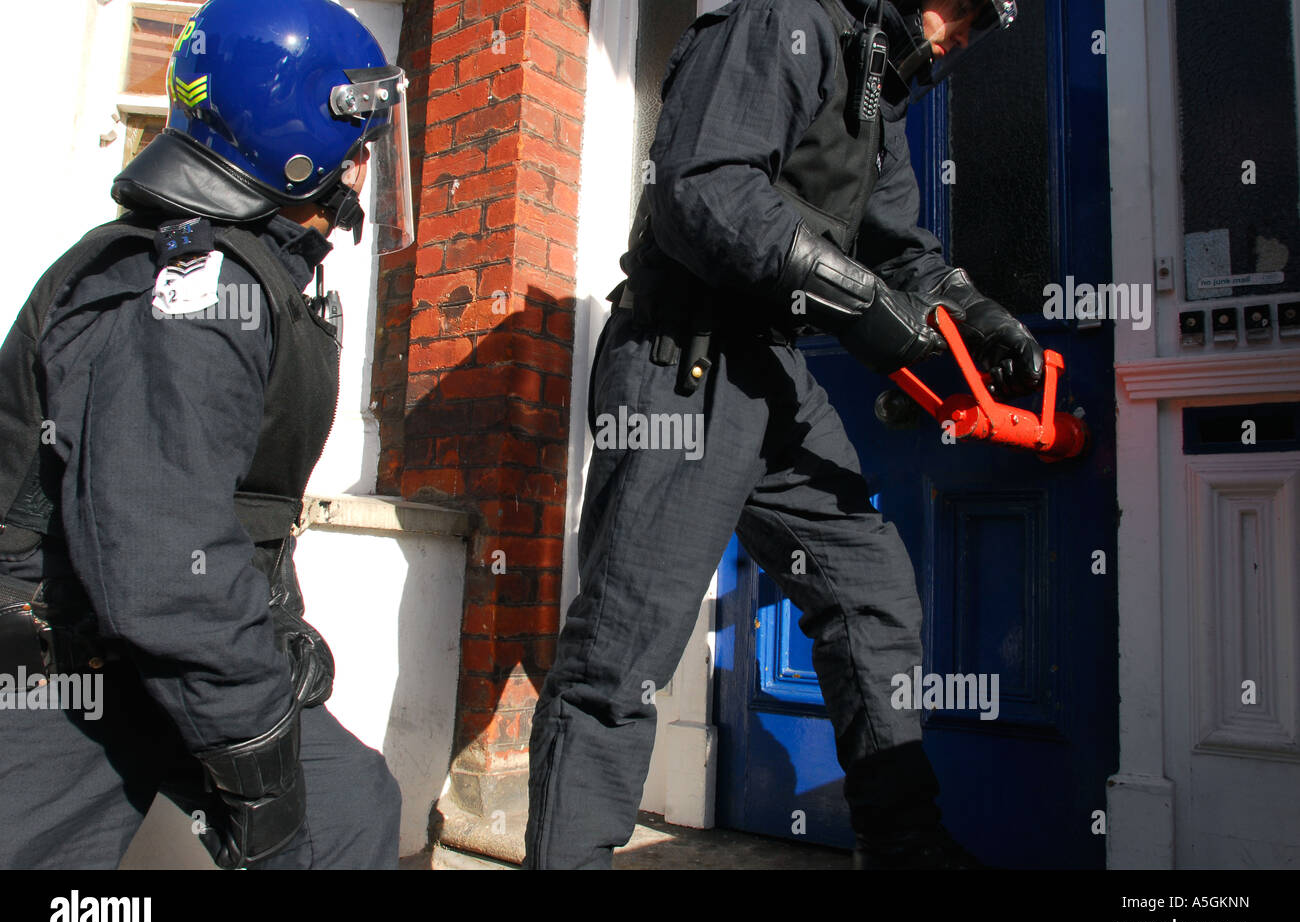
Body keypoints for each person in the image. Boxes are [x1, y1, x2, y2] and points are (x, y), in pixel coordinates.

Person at [524, 0, 1040, 869]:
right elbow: (702, 188)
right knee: (623, 649)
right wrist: (861, 303)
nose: (956, 35)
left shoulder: (877, 87)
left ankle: (903, 844)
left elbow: (896, 251)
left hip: (769, 367)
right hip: (679, 355)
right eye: (959, 7)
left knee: (869, 588)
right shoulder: (779, 20)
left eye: (978, 27)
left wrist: (978, 315)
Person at [0, 0, 415, 869]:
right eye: (359, 134)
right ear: (293, 131)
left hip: (162, 652)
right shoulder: (190, 292)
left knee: (348, 812)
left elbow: (233, 512)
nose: (368, 159)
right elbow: (160, 552)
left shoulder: (254, 272)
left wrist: (274, 631)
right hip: (60, 674)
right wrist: (257, 752)